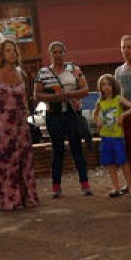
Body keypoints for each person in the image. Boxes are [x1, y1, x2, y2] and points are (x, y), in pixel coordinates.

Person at [0, 38, 39, 211]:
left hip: (21, 124)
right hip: (1, 125)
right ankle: (7, 199)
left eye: (14, 50)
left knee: (24, 160)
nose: (12, 53)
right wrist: (0, 116)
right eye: (8, 50)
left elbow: (27, 98)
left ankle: (26, 197)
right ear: (1, 54)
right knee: (5, 161)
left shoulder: (22, 74)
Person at [35, 41, 91, 198]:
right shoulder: (43, 72)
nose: (58, 55)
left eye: (60, 52)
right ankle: (56, 187)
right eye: (55, 52)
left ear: (64, 53)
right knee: (57, 150)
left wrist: (69, 95)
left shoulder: (74, 69)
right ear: (50, 54)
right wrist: (55, 97)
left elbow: (86, 89)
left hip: (72, 114)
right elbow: (36, 94)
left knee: (77, 149)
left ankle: (85, 184)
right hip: (54, 115)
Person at [95, 74, 131, 197]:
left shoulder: (118, 99)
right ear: (100, 88)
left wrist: (123, 115)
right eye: (103, 85)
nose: (106, 87)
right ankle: (116, 188)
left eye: (109, 84)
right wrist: (98, 121)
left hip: (118, 137)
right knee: (110, 163)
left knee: (123, 162)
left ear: (113, 86)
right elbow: (95, 114)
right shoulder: (100, 102)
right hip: (105, 137)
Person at [113, 35, 131, 183]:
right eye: (123, 47)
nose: (126, 50)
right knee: (127, 152)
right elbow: (116, 95)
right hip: (124, 116)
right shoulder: (118, 71)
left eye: (129, 47)